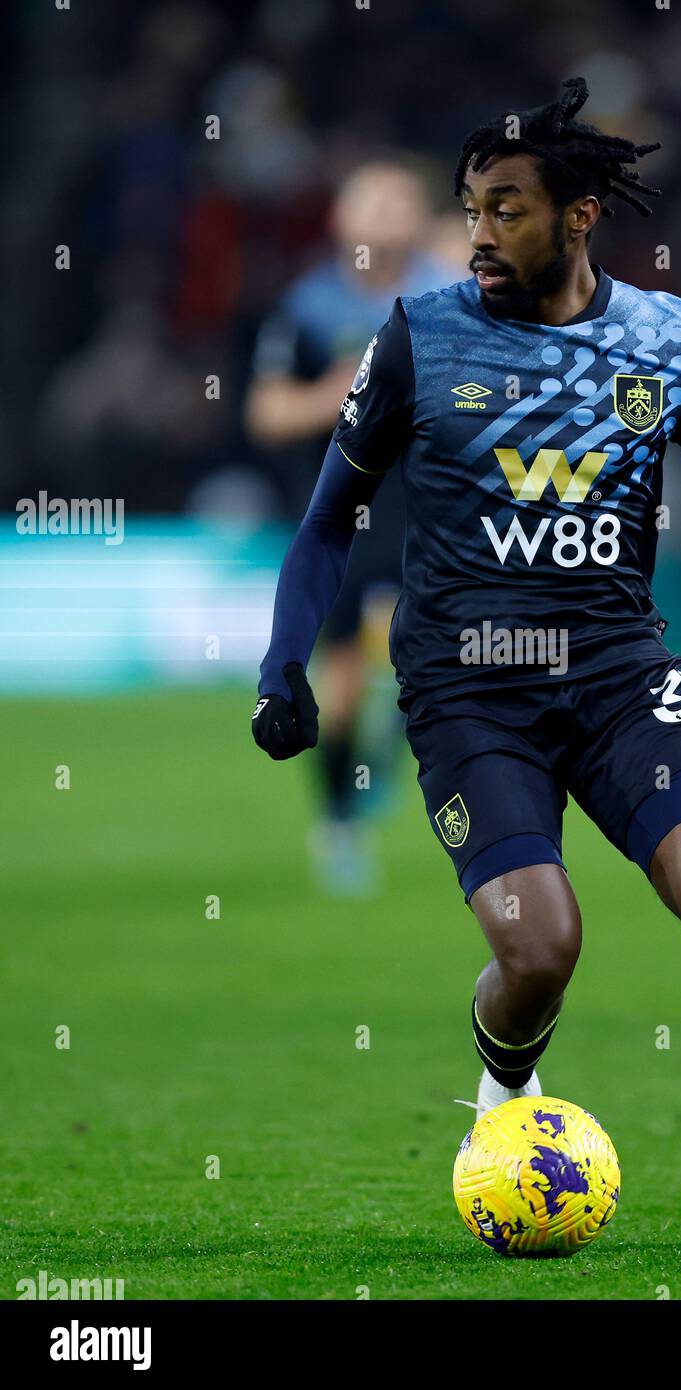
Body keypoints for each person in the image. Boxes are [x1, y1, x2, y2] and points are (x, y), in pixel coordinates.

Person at [252, 79, 681, 1252]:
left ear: (579, 216)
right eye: (471, 207)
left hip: (620, 677)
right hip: (469, 689)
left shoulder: (670, 341)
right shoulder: (421, 336)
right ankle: (503, 1106)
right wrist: (283, 663)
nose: (478, 234)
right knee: (540, 945)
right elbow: (325, 521)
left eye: (505, 208)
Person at [246, 160, 452, 892]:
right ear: (341, 219)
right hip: (338, 512)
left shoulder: (450, 293)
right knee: (339, 687)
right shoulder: (309, 307)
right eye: (372, 203)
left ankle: (393, 754)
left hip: (429, 508)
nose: (386, 217)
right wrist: (334, 399)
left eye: (401, 203)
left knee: (417, 661)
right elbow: (266, 413)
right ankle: (338, 819)